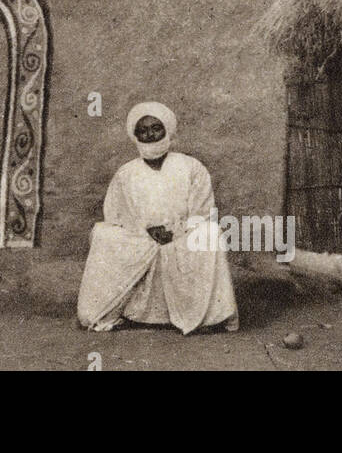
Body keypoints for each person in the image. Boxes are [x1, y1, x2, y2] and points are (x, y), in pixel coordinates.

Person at [76, 101, 239, 334]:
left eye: (156, 128)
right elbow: (116, 215)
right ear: (135, 135)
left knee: (210, 233)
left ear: (167, 129)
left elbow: (202, 213)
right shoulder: (126, 173)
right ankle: (130, 313)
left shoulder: (192, 167)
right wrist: (146, 231)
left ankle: (205, 316)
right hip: (140, 240)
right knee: (103, 233)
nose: (150, 135)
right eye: (143, 130)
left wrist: (176, 231)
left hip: (183, 236)